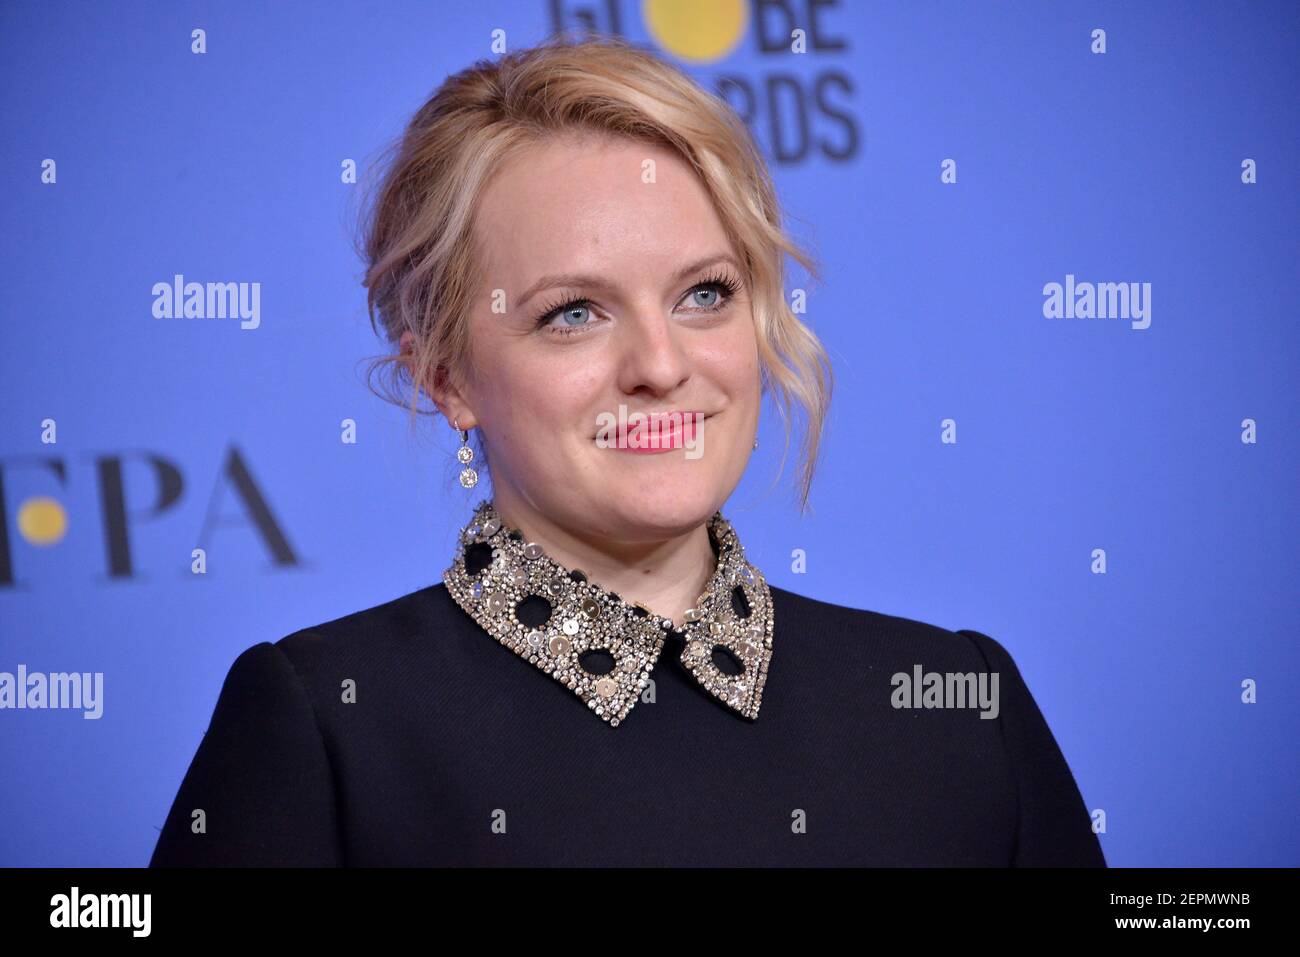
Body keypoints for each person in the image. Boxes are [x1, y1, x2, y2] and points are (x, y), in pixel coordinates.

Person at [150, 34, 1104, 867]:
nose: (660, 364)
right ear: (446, 379)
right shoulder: (325, 728)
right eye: (574, 313)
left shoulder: (959, 707)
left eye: (704, 294)